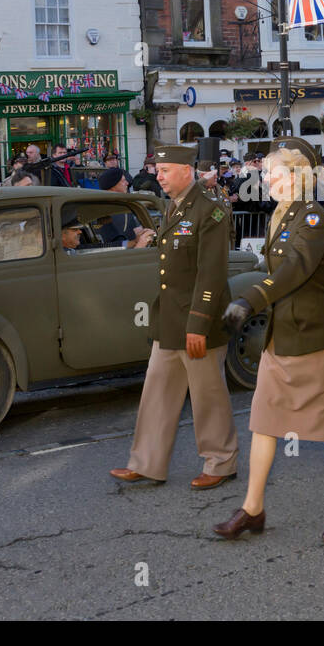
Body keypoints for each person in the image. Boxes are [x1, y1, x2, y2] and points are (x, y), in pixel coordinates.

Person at [215, 136, 324, 542]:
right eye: (266, 175)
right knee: (263, 422)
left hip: (317, 334)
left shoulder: (311, 217)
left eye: (275, 174)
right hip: (282, 336)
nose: (268, 180)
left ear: (299, 175)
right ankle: (252, 508)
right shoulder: (279, 213)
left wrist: (251, 298)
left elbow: (294, 268)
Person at [110, 145, 239, 488]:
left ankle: (220, 462)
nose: (159, 177)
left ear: (187, 170)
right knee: (157, 392)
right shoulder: (174, 207)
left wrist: (198, 323)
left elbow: (210, 274)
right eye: (158, 171)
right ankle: (147, 461)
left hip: (199, 320)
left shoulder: (210, 212)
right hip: (170, 319)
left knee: (207, 394)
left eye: (165, 170)